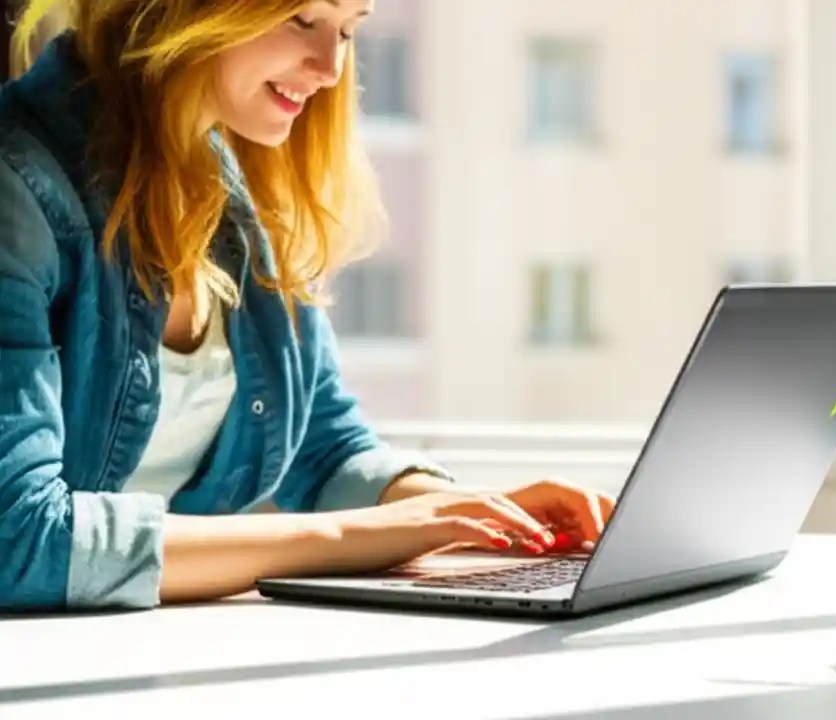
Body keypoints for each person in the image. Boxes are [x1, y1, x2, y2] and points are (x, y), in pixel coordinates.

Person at [0, 0, 615, 612]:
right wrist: (357, 537)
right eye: (304, 20)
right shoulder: (18, 190)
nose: (331, 67)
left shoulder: (238, 183)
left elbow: (322, 449)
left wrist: (474, 514)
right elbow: (19, 538)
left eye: (349, 31)